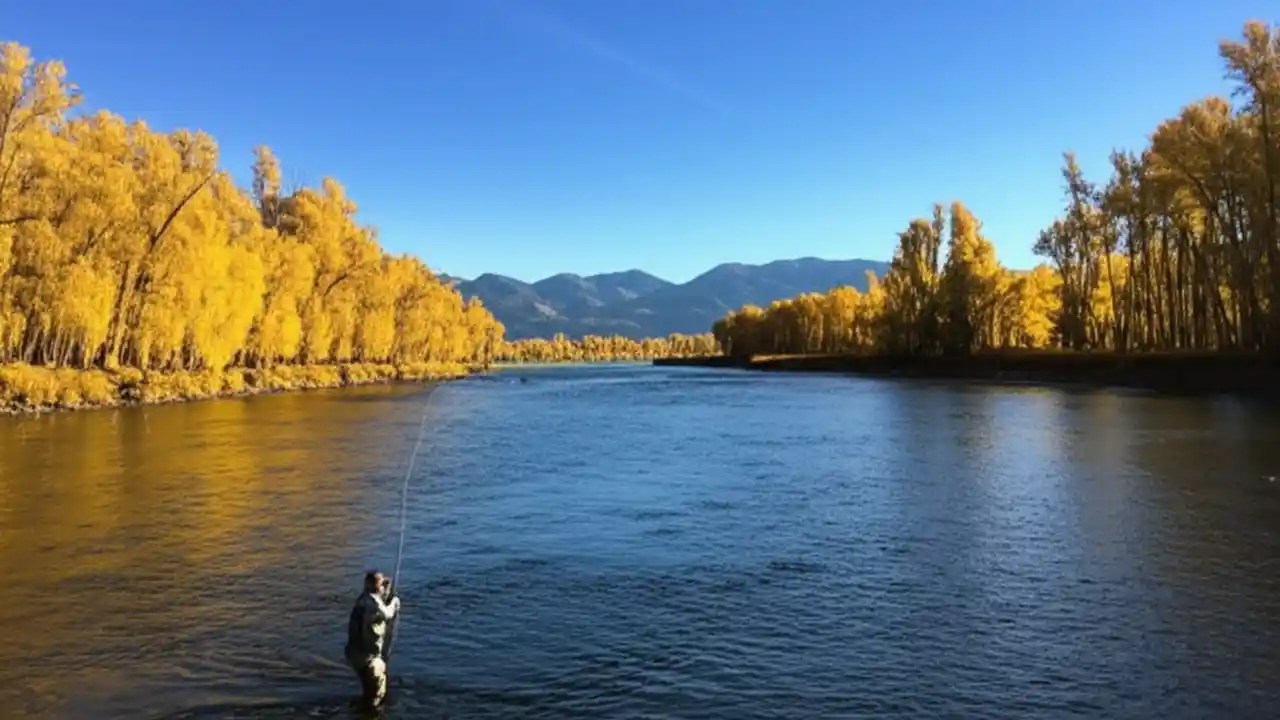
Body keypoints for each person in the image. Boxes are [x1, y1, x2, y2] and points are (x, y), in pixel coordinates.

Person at [345, 570, 401, 707]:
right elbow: (387, 613)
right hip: (368, 657)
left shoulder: (363, 598)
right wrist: (394, 601)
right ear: (376, 586)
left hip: (355, 654)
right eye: (382, 584)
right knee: (378, 694)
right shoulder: (372, 602)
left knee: (368, 689)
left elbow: (379, 605)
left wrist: (386, 590)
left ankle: (359, 710)